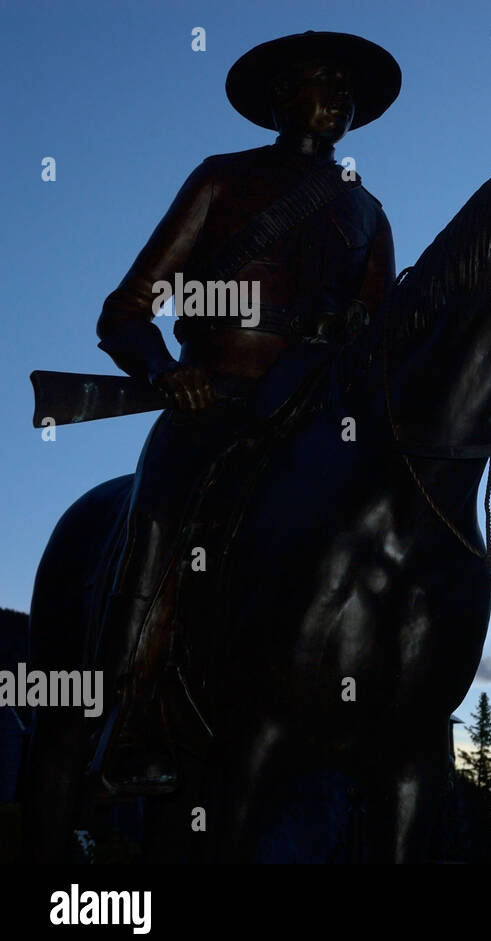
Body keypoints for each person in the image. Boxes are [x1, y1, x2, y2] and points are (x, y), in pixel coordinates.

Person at [93, 31, 399, 794]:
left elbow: (384, 337)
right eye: (320, 79)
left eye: (346, 86)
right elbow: (126, 312)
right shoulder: (221, 181)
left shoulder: (369, 215)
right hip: (212, 404)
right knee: (160, 521)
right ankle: (127, 716)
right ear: (278, 97)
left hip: (316, 415)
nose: (337, 95)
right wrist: (167, 373)